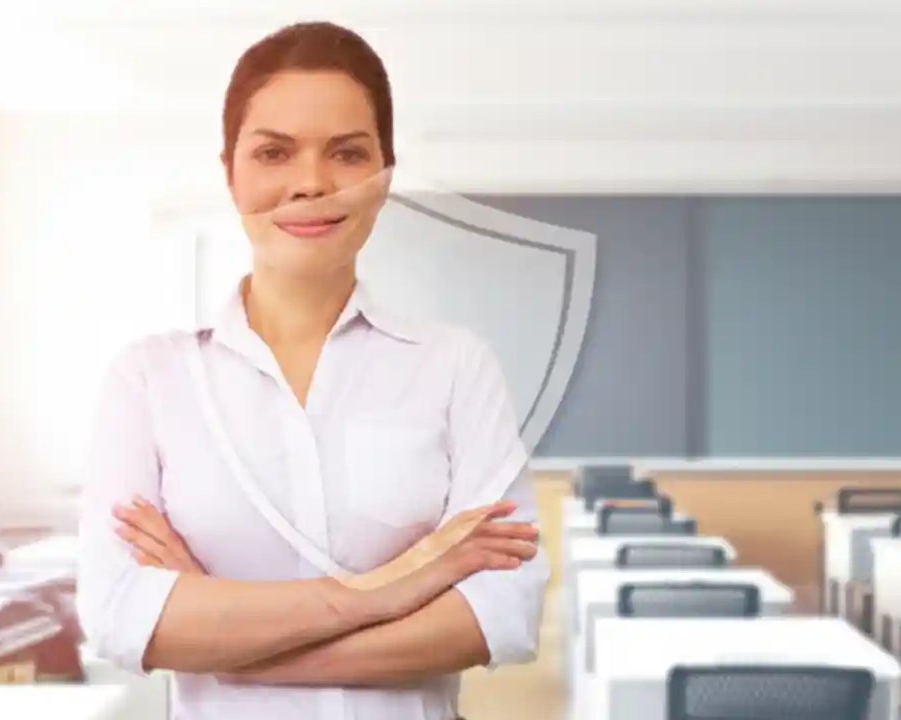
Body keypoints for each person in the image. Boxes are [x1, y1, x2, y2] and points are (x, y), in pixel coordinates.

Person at [75, 20, 550, 720]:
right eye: (273, 152)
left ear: (384, 176)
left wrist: (228, 644)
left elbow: (502, 613)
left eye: (348, 153)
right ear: (230, 172)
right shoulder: (149, 379)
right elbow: (119, 616)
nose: (310, 184)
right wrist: (393, 588)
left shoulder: (454, 369)